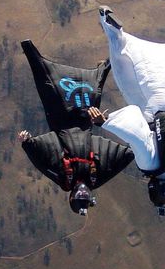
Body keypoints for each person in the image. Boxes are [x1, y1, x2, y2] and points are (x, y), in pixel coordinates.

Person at [91, 6, 165, 215]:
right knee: (124, 73)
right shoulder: (150, 165)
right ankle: (113, 30)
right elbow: (136, 137)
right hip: (152, 108)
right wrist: (106, 122)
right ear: (151, 186)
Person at [17, 40, 134, 215]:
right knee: (94, 89)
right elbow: (122, 158)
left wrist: (27, 143)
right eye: (85, 197)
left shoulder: (65, 179)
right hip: (85, 120)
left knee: (49, 84)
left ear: (72, 197)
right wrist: (141, 148)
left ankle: (30, 51)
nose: (82, 192)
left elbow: (42, 163)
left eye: (79, 196)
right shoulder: (95, 178)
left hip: (61, 119)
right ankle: (106, 65)